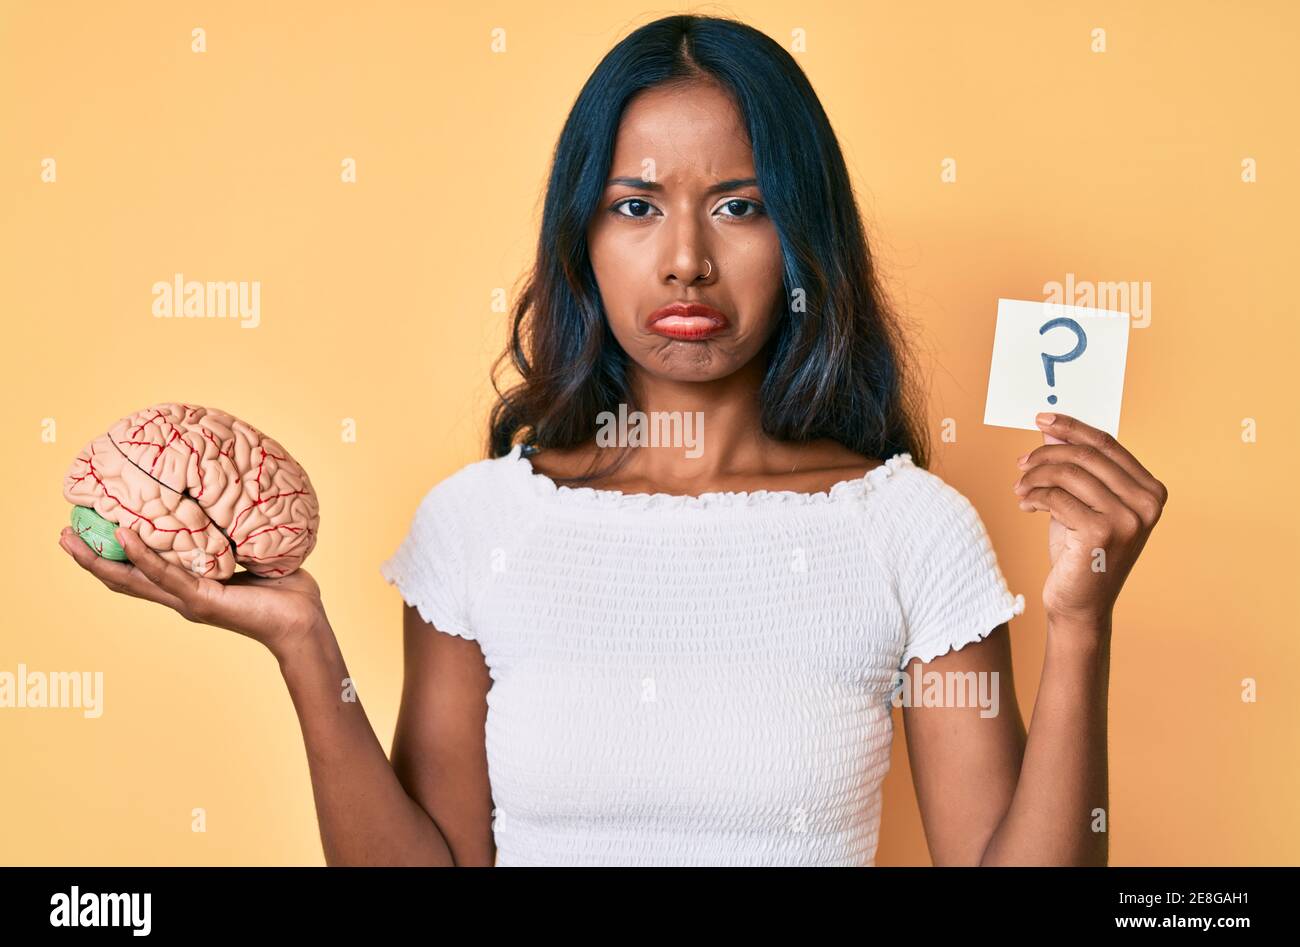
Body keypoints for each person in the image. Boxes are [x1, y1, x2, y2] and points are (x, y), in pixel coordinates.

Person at [58, 14, 1166, 866]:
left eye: (740, 205)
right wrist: (305, 649)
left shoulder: (910, 527)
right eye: (636, 206)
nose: (685, 258)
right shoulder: (477, 524)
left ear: (804, 236)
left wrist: (1079, 629)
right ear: (580, 239)